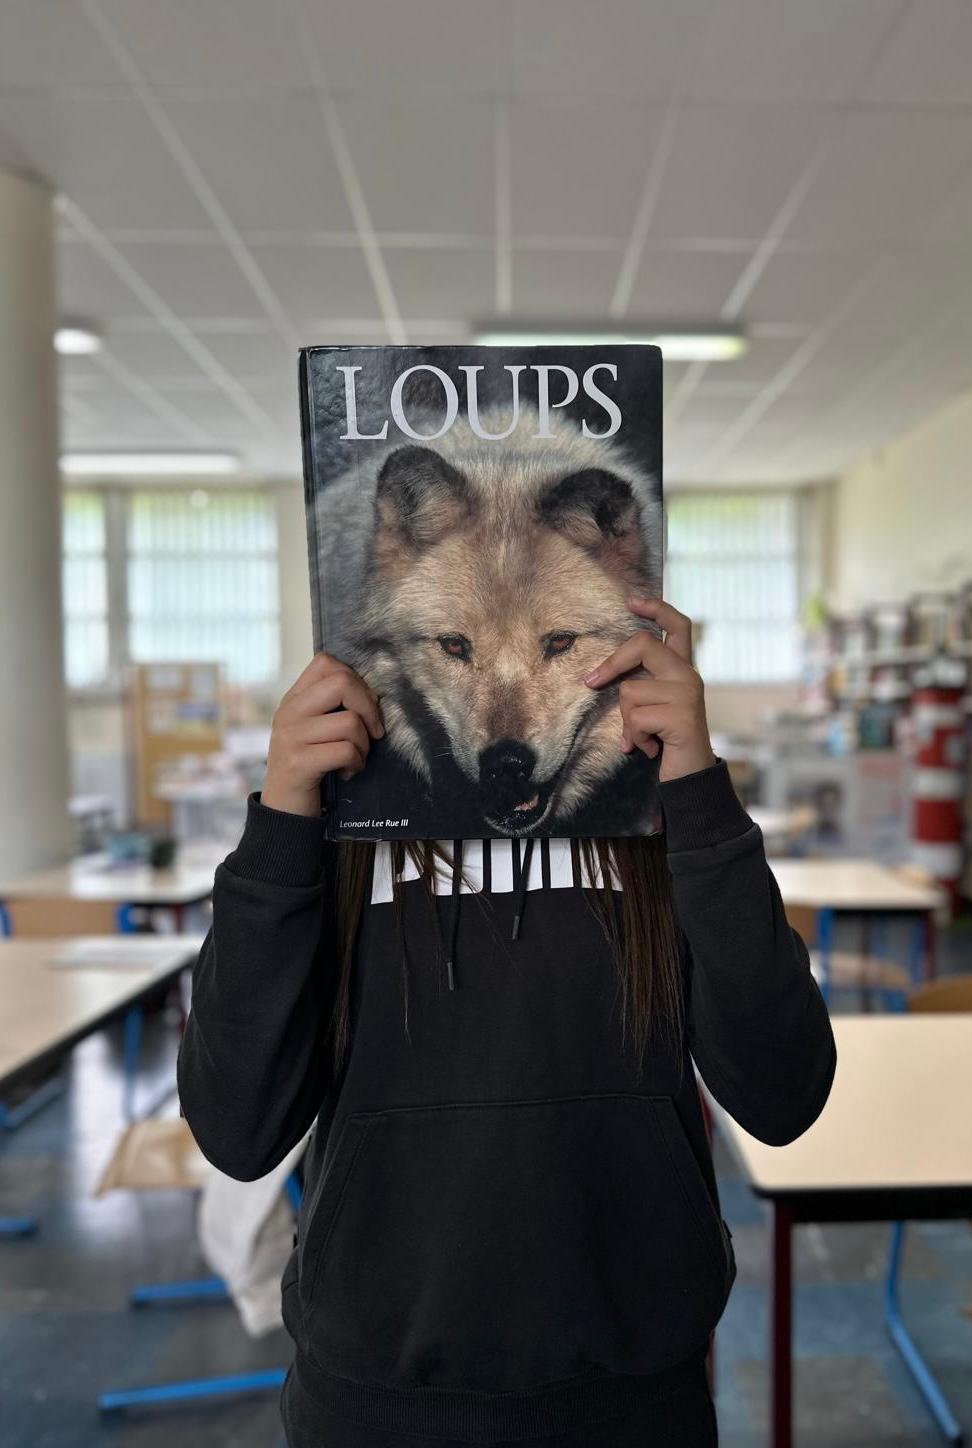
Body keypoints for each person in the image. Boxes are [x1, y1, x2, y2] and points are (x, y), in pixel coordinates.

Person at [178, 595, 835, 1448]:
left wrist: (701, 795)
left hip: (634, 1396)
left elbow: (784, 1094)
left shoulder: (650, 827)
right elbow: (237, 1129)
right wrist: (282, 819)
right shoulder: (349, 829)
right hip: (375, 1398)